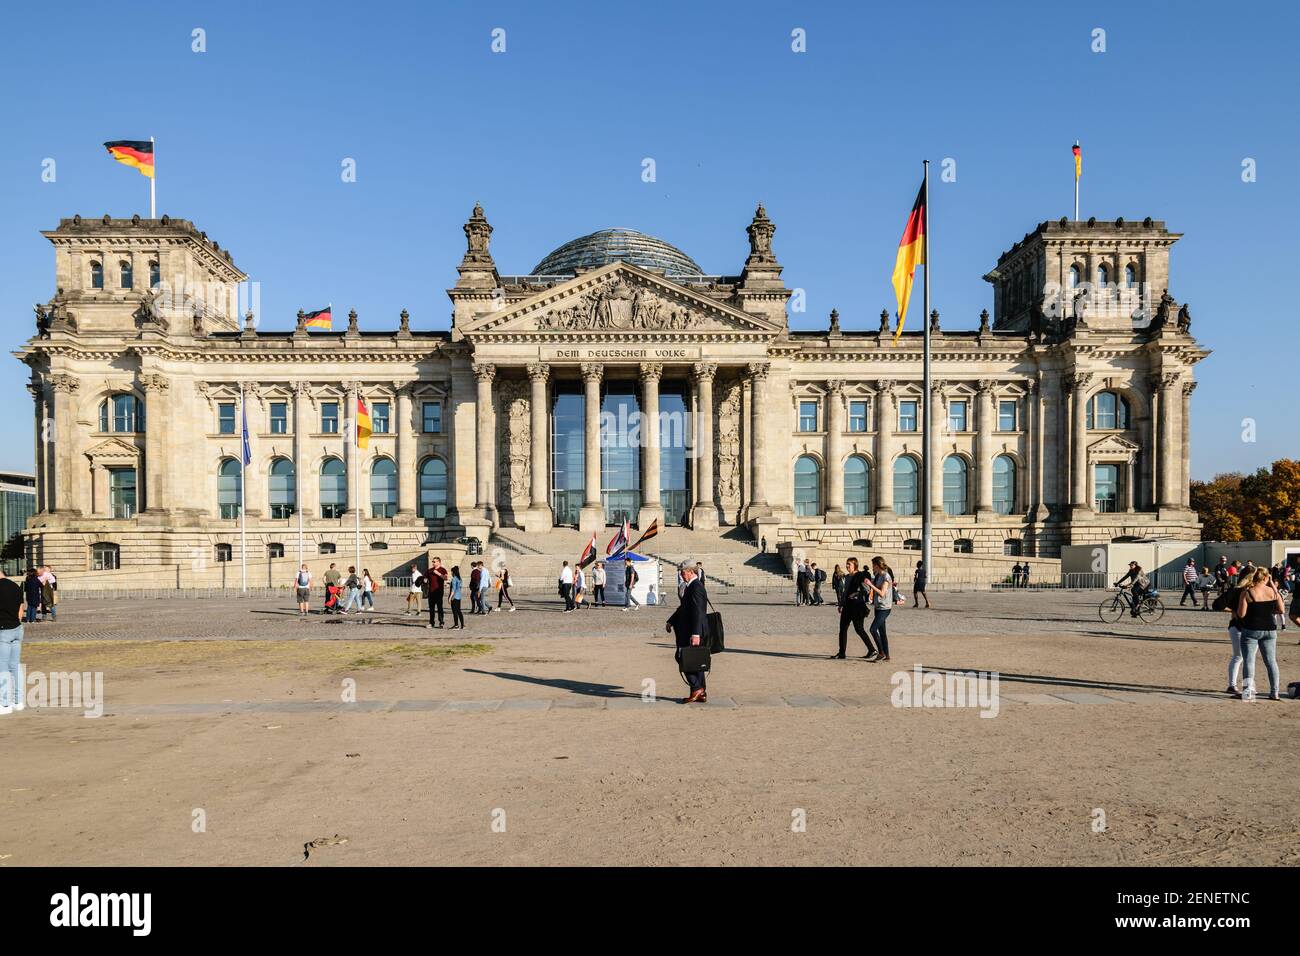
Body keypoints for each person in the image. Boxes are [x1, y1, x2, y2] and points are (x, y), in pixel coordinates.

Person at [1235, 567, 1284, 701]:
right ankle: (1275, 692)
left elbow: (1241, 614)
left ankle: (1248, 692)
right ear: (1266, 578)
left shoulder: (1247, 592)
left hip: (1251, 629)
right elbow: (1281, 609)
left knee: (1249, 661)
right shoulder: (1273, 592)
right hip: (1269, 629)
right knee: (1271, 662)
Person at [666, 560, 710, 704]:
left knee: (683, 658)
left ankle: (696, 687)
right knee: (697, 661)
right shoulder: (690, 586)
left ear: (691, 571)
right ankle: (700, 692)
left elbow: (698, 612)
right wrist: (671, 620)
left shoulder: (696, 587)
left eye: (683, 572)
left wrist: (696, 634)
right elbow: (683, 608)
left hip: (693, 631)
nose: (681, 574)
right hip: (691, 629)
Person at [831, 557, 876, 660]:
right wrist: (841, 604)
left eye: (849, 564)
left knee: (859, 629)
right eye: (847, 564)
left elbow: (867, 589)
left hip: (857, 607)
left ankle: (872, 650)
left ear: (855, 565)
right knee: (842, 629)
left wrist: (857, 593)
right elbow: (845, 592)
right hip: (847, 606)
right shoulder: (846, 577)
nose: (847, 566)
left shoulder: (860, 576)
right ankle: (842, 653)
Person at [0, 567, 25, 716]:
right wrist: (16, 622)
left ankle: (4, 704)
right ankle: (18, 701)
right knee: (15, 667)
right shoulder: (14, 585)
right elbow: (21, 608)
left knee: (2, 668)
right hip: (17, 628)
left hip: (3, 631)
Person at [863, 556, 896, 663]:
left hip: (885, 608)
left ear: (877, 565)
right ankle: (887, 655)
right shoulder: (878, 575)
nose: (872, 567)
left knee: (873, 629)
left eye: (873, 565)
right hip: (878, 607)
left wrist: (871, 585)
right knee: (882, 632)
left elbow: (882, 593)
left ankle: (881, 652)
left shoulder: (886, 577)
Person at [425, 556, 448, 628]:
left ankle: (441, 622)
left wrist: (438, 573)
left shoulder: (443, 570)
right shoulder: (429, 570)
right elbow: (425, 577)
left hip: (439, 592)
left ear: (439, 562)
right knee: (431, 608)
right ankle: (431, 623)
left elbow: (446, 578)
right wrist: (424, 580)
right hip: (431, 592)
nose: (433, 563)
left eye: (434, 561)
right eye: (432, 561)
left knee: (439, 608)